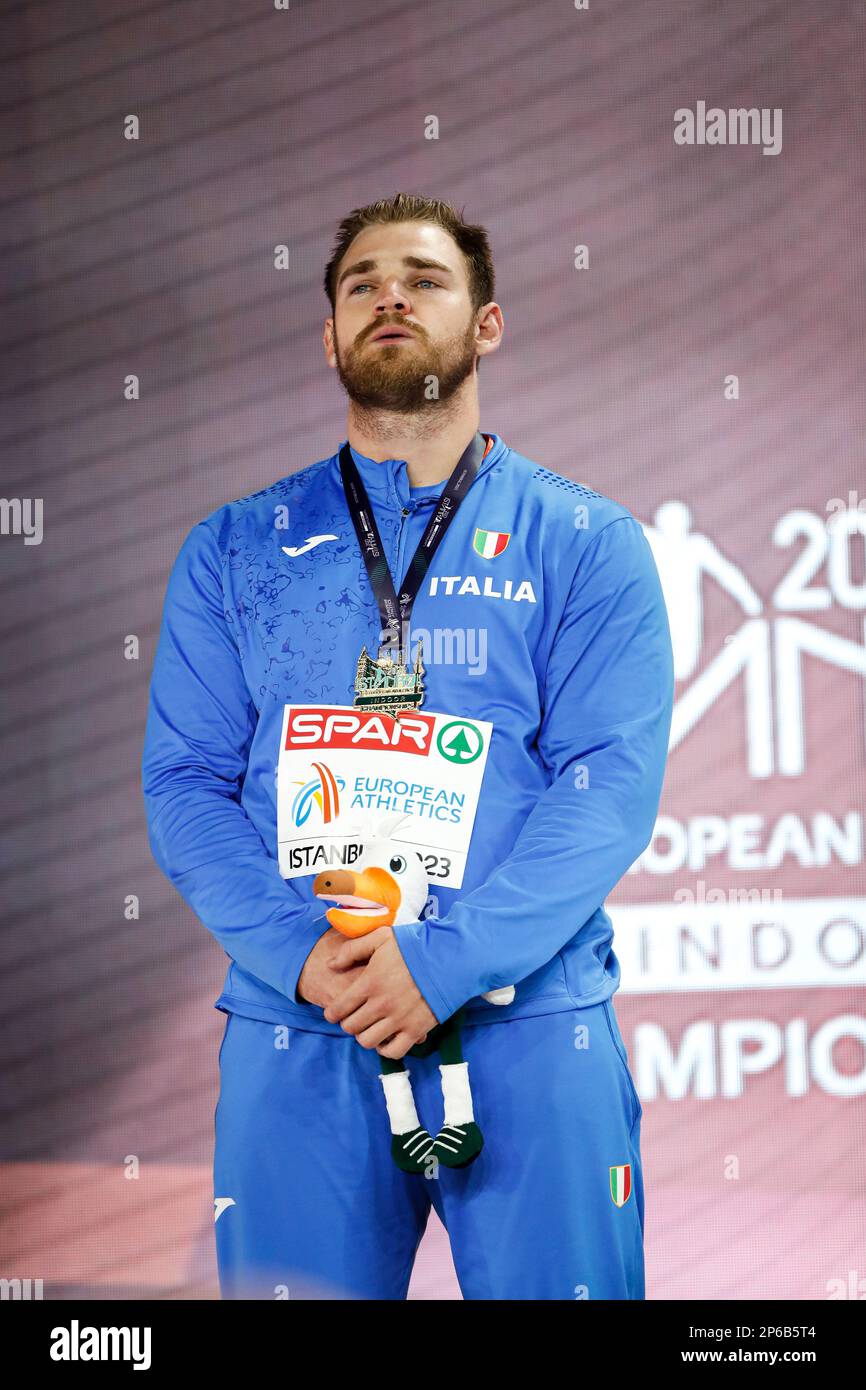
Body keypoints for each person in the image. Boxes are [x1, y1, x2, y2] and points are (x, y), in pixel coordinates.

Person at [142, 191, 674, 1301]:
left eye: (424, 279)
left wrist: (440, 962)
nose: (390, 294)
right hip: (304, 1021)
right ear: (329, 336)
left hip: (528, 1024)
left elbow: (607, 788)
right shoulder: (234, 547)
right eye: (360, 284)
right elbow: (186, 784)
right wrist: (298, 954)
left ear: (485, 325)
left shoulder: (586, 542)